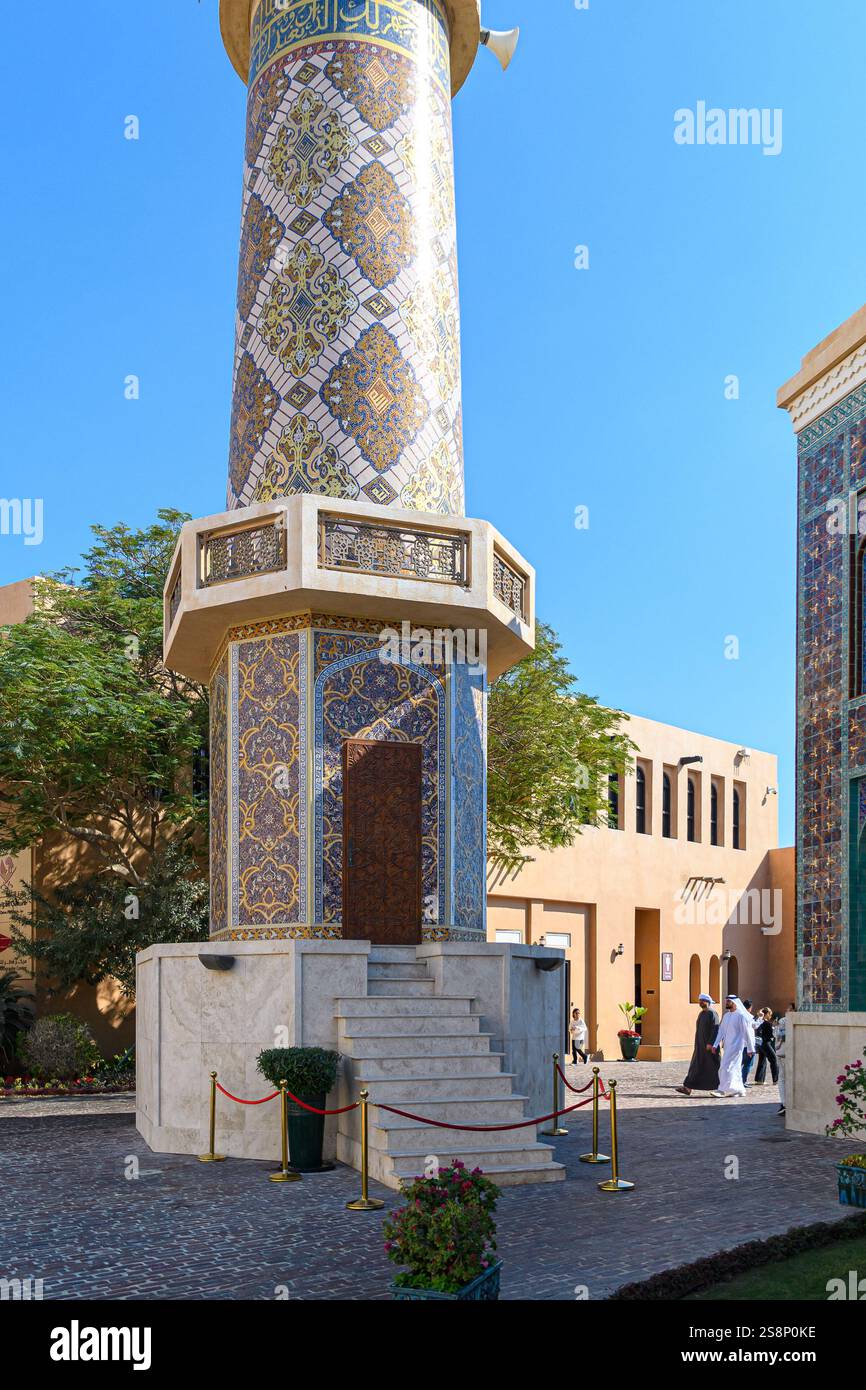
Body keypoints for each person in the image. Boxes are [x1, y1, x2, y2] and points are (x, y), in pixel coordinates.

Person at [675, 994, 720, 1095]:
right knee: (695, 1066)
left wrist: (710, 1043)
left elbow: (715, 1030)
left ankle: (720, 1087)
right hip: (700, 1046)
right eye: (700, 1001)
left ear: (707, 1002)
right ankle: (687, 1087)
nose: (700, 1002)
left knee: (712, 1067)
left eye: (702, 1001)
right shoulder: (702, 1013)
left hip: (709, 1047)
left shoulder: (713, 1013)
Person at [711, 995, 756, 1097]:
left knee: (725, 1067)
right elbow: (721, 1031)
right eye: (726, 1001)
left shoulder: (740, 1016)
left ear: (734, 1003)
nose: (726, 1003)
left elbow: (746, 1033)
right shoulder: (726, 1016)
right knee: (734, 1068)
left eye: (728, 1001)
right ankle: (739, 1090)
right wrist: (715, 1044)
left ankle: (721, 1090)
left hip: (736, 1047)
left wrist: (750, 1048)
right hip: (727, 1047)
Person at [776, 1002, 794, 1116]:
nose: (787, 1010)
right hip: (789, 1051)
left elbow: (780, 1035)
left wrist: (779, 1044)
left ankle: (784, 1103)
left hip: (783, 1051)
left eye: (789, 1009)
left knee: (782, 1078)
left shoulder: (784, 1020)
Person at [754, 1007, 779, 1085]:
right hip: (766, 1044)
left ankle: (759, 1079)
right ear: (767, 1014)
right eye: (770, 1014)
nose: (770, 1016)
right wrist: (774, 1026)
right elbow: (772, 1035)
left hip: (760, 1044)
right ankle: (776, 1080)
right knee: (774, 1059)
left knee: (762, 1060)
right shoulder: (767, 1024)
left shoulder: (759, 1022)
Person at [741, 999, 758, 1086]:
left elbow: (754, 1025)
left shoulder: (740, 1015)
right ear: (750, 1007)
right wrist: (751, 1048)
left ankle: (740, 1081)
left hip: (741, 1044)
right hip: (748, 1045)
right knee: (748, 1064)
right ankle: (742, 1081)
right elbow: (754, 1027)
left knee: (741, 1063)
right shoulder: (748, 1017)